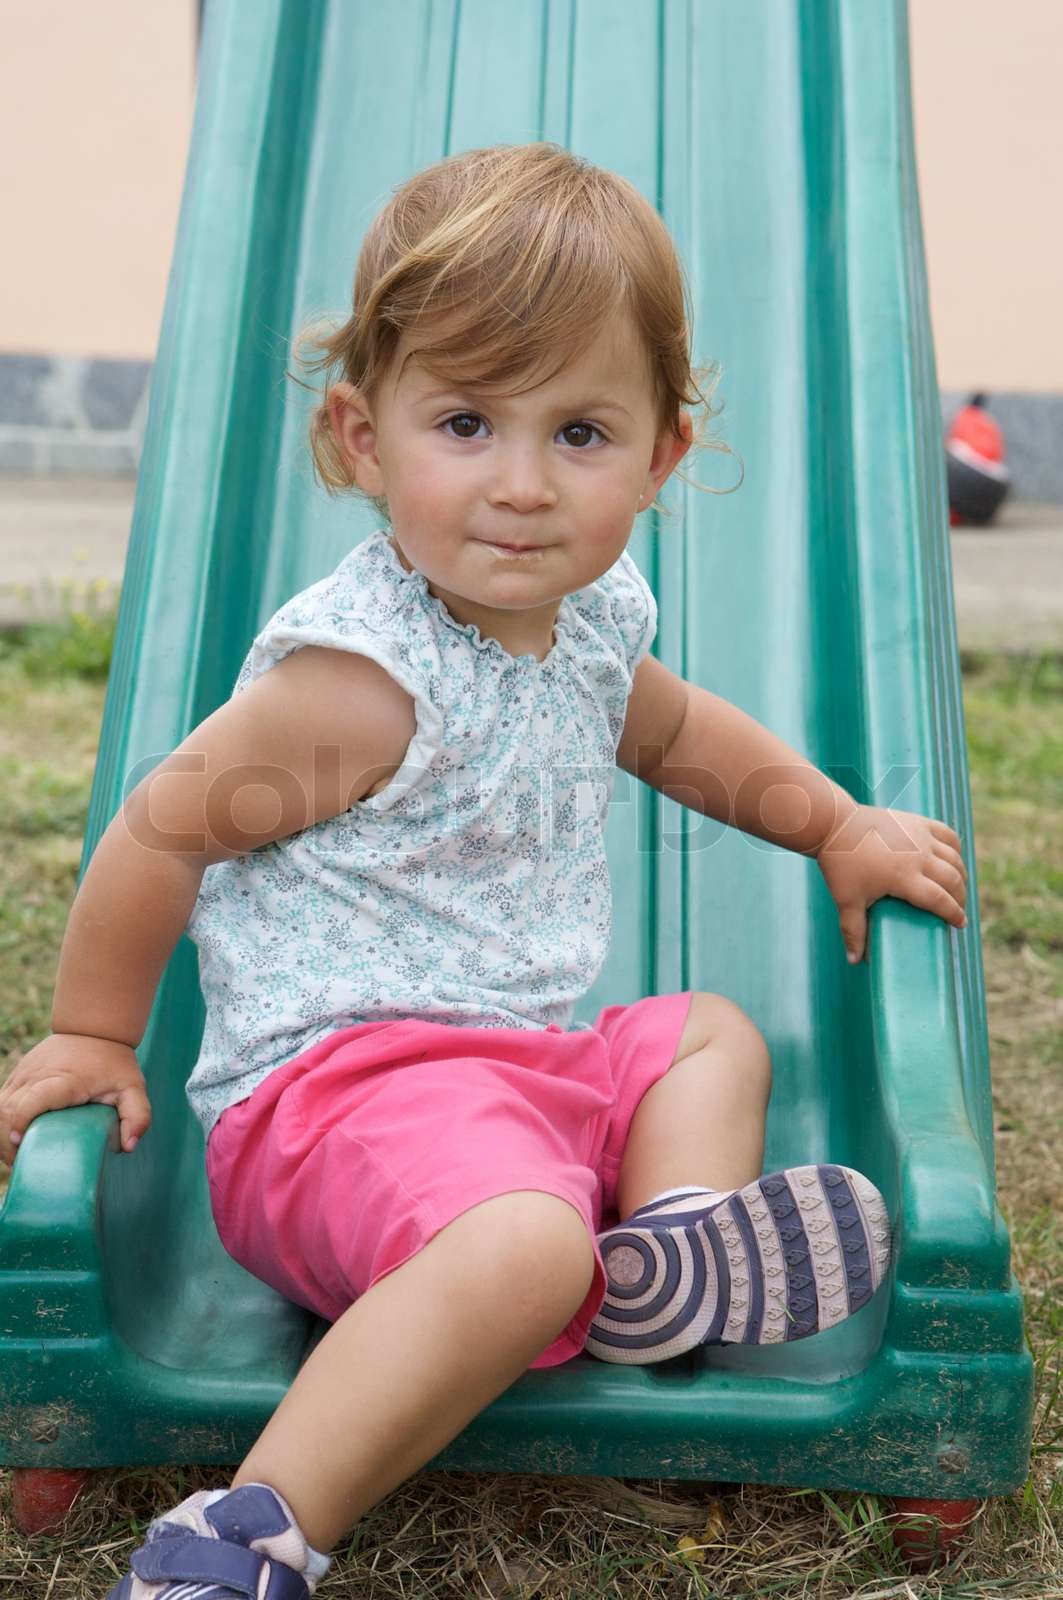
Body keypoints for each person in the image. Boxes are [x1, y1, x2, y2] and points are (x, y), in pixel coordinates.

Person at [0, 143, 968, 1599]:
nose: (522, 487)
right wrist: (92, 1029)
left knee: (705, 1035)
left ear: (660, 458)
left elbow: (680, 731)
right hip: (335, 1106)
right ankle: (251, 1530)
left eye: (580, 433)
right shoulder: (357, 686)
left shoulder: (587, 623)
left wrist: (834, 825)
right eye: (466, 423)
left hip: (516, 1074)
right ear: (362, 437)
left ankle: (671, 1250)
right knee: (526, 1247)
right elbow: (164, 828)